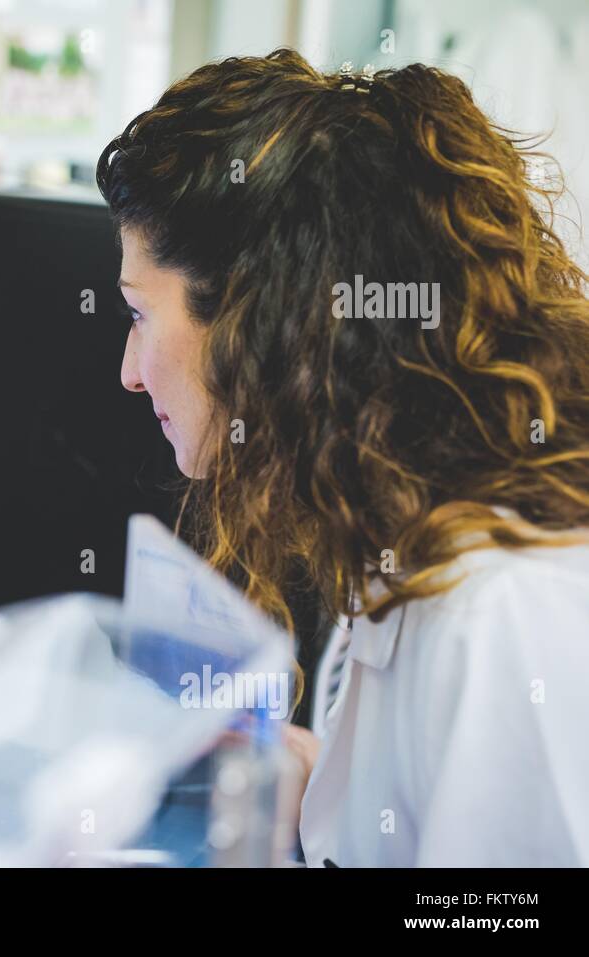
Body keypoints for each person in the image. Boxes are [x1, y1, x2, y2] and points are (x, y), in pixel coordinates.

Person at [96, 49, 589, 866]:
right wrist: (330, 790)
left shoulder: (499, 613)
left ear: (259, 325)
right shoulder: (407, 529)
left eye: (140, 314)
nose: (127, 368)